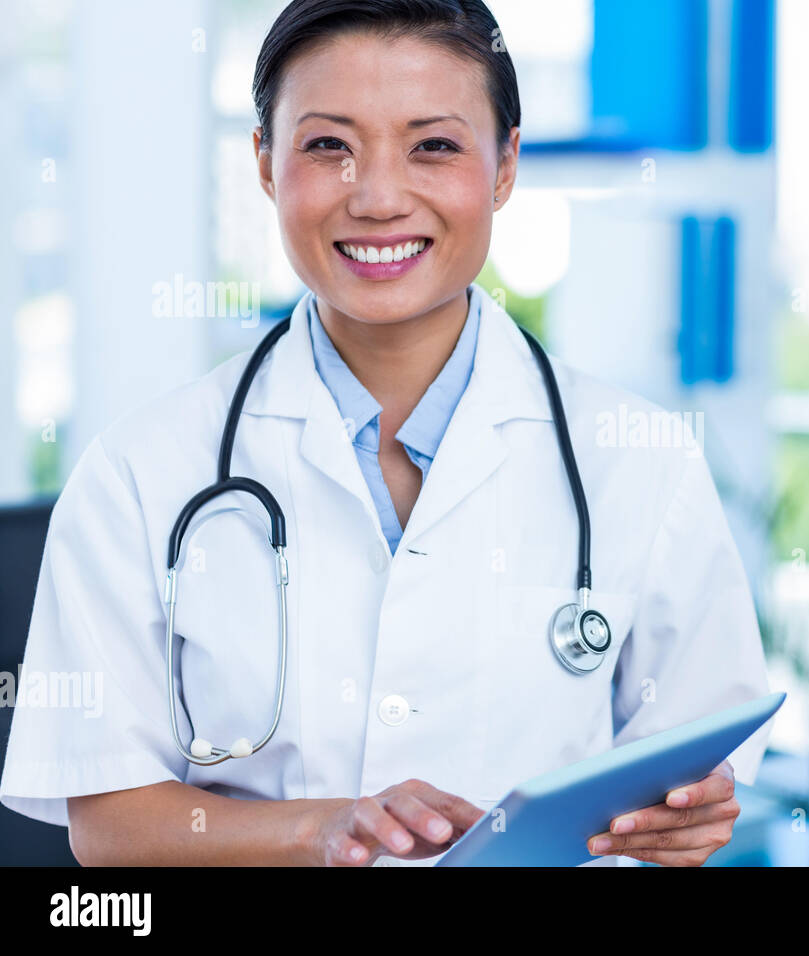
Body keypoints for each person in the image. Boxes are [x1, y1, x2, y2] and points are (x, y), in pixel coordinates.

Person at [0, 0, 770, 867]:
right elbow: (105, 826)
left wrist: (691, 817)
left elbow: (698, 771)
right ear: (263, 161)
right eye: (328, 145)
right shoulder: (140, 474)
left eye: (433, 145)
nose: (376, 197)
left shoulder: (640, 460)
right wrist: (318, 829)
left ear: (506, 165)